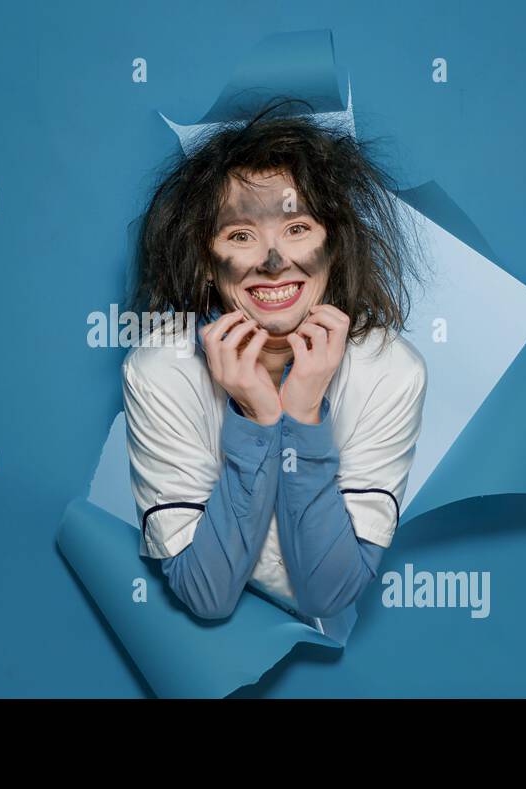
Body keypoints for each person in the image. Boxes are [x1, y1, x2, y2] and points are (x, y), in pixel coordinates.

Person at [123, 99, 427, 630]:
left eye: (297, 228)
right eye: (240, 236)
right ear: (206, 259)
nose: (271, 261)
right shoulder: (159, 371)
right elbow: (208, 594)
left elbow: (327, 592)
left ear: (335, 247)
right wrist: (257, 417)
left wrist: (305, 413)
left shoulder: (391, 371)